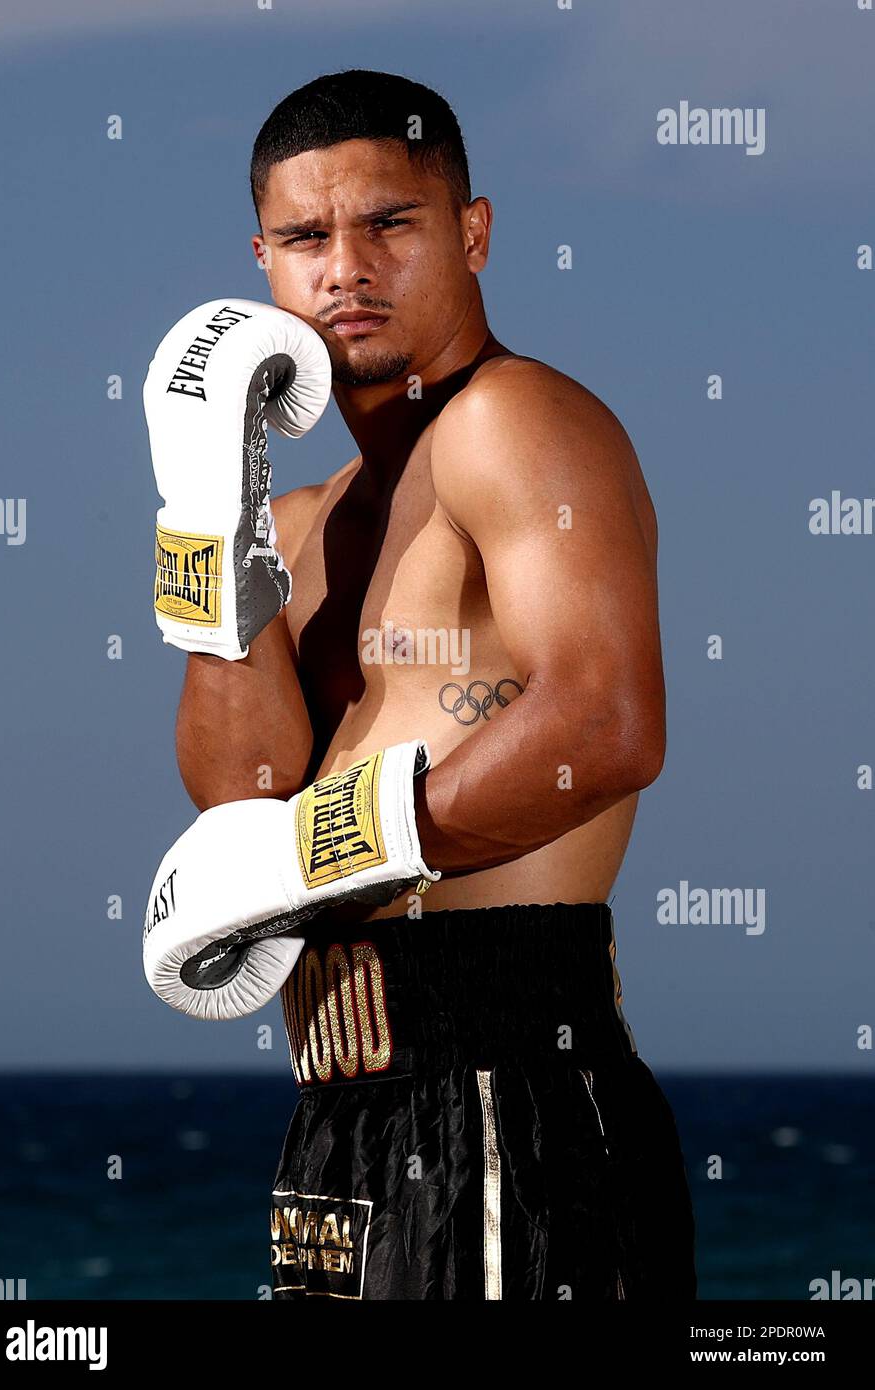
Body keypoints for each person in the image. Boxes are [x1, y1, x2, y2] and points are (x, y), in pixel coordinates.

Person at [143, 69, 697, 1301]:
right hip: (338, 1111)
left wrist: (305, 861)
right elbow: (240, 799)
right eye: (304, 237)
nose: (345, 266)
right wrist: (202, 500)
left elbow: (602, 724)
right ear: (264, 264)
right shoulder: (294, 520)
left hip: (508, 1080)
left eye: (389, 223)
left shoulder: (514, 425)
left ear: (471, 230)